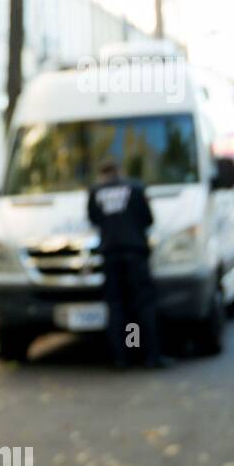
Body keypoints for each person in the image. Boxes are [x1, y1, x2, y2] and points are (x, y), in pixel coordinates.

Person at [87, 156, 170, 369]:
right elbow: (148, 219)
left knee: (116, 307)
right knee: (144, 304)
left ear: (102, 173)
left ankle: (122, 358)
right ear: (120, 170)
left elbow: (94, 220)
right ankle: (151, 355)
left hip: (110, 256)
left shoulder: (95, 191)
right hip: (135, 254)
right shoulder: (135, 188)